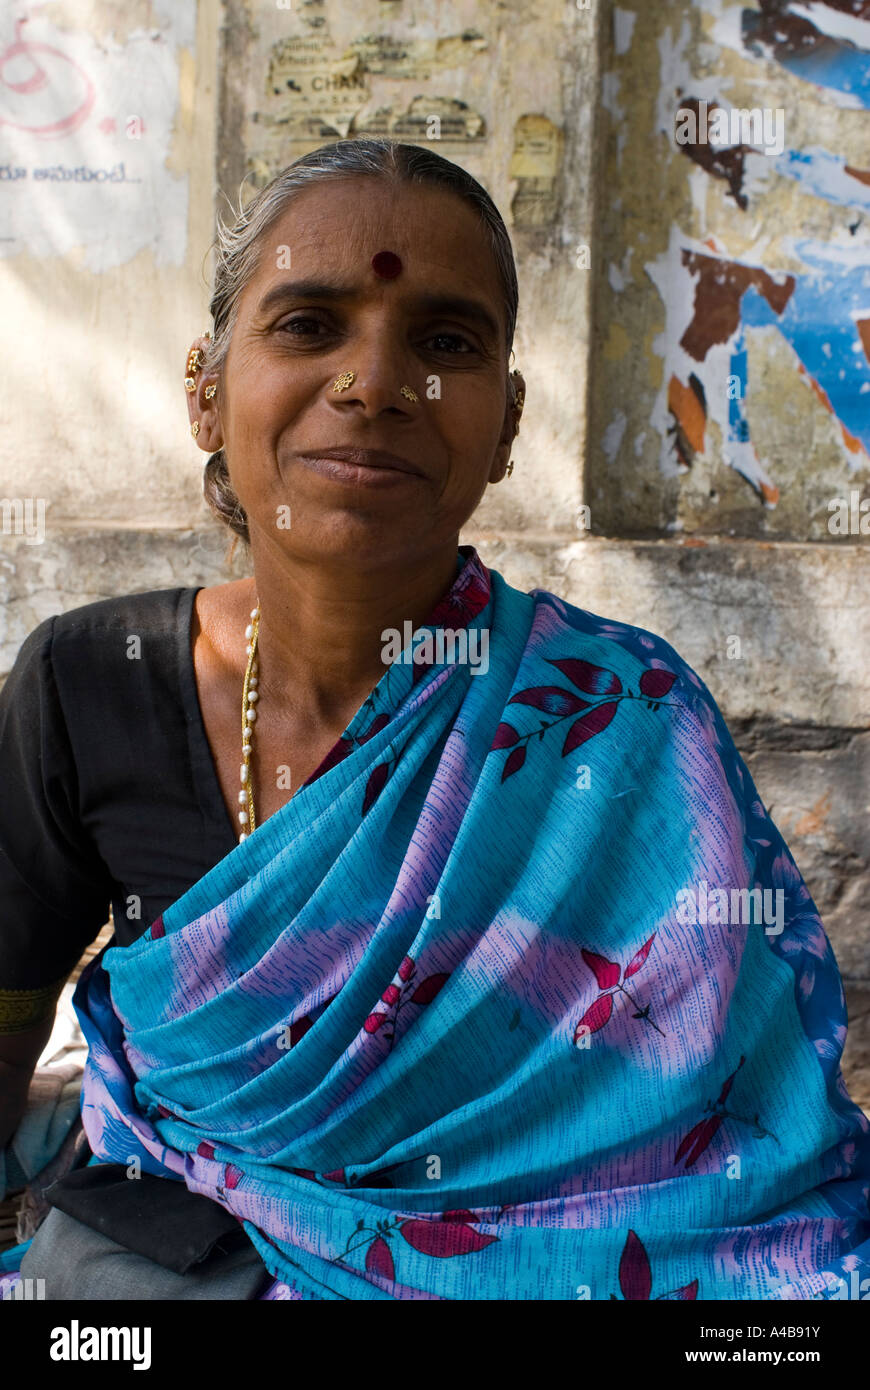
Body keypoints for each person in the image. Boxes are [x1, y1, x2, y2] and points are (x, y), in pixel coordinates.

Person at [1, 138, 868, 1301]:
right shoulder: (87, 684)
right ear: (207, 389)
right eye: (309, 323)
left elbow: (735, 1162)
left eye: (445, 344)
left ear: (506, 425)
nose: (374, 383)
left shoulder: (624, 720)